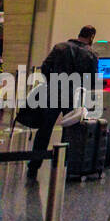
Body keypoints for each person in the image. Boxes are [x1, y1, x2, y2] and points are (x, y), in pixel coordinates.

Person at [25, 26, 99, 180]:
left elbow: (45, 67)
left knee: (44, 130)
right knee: (72, 131)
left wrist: (54, 81)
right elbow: (92, 80)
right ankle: (68, 165)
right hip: (73, 95)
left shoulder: (60, 47)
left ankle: (34, 166)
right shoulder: (91, 54)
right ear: (91, 36)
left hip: (54, 92)